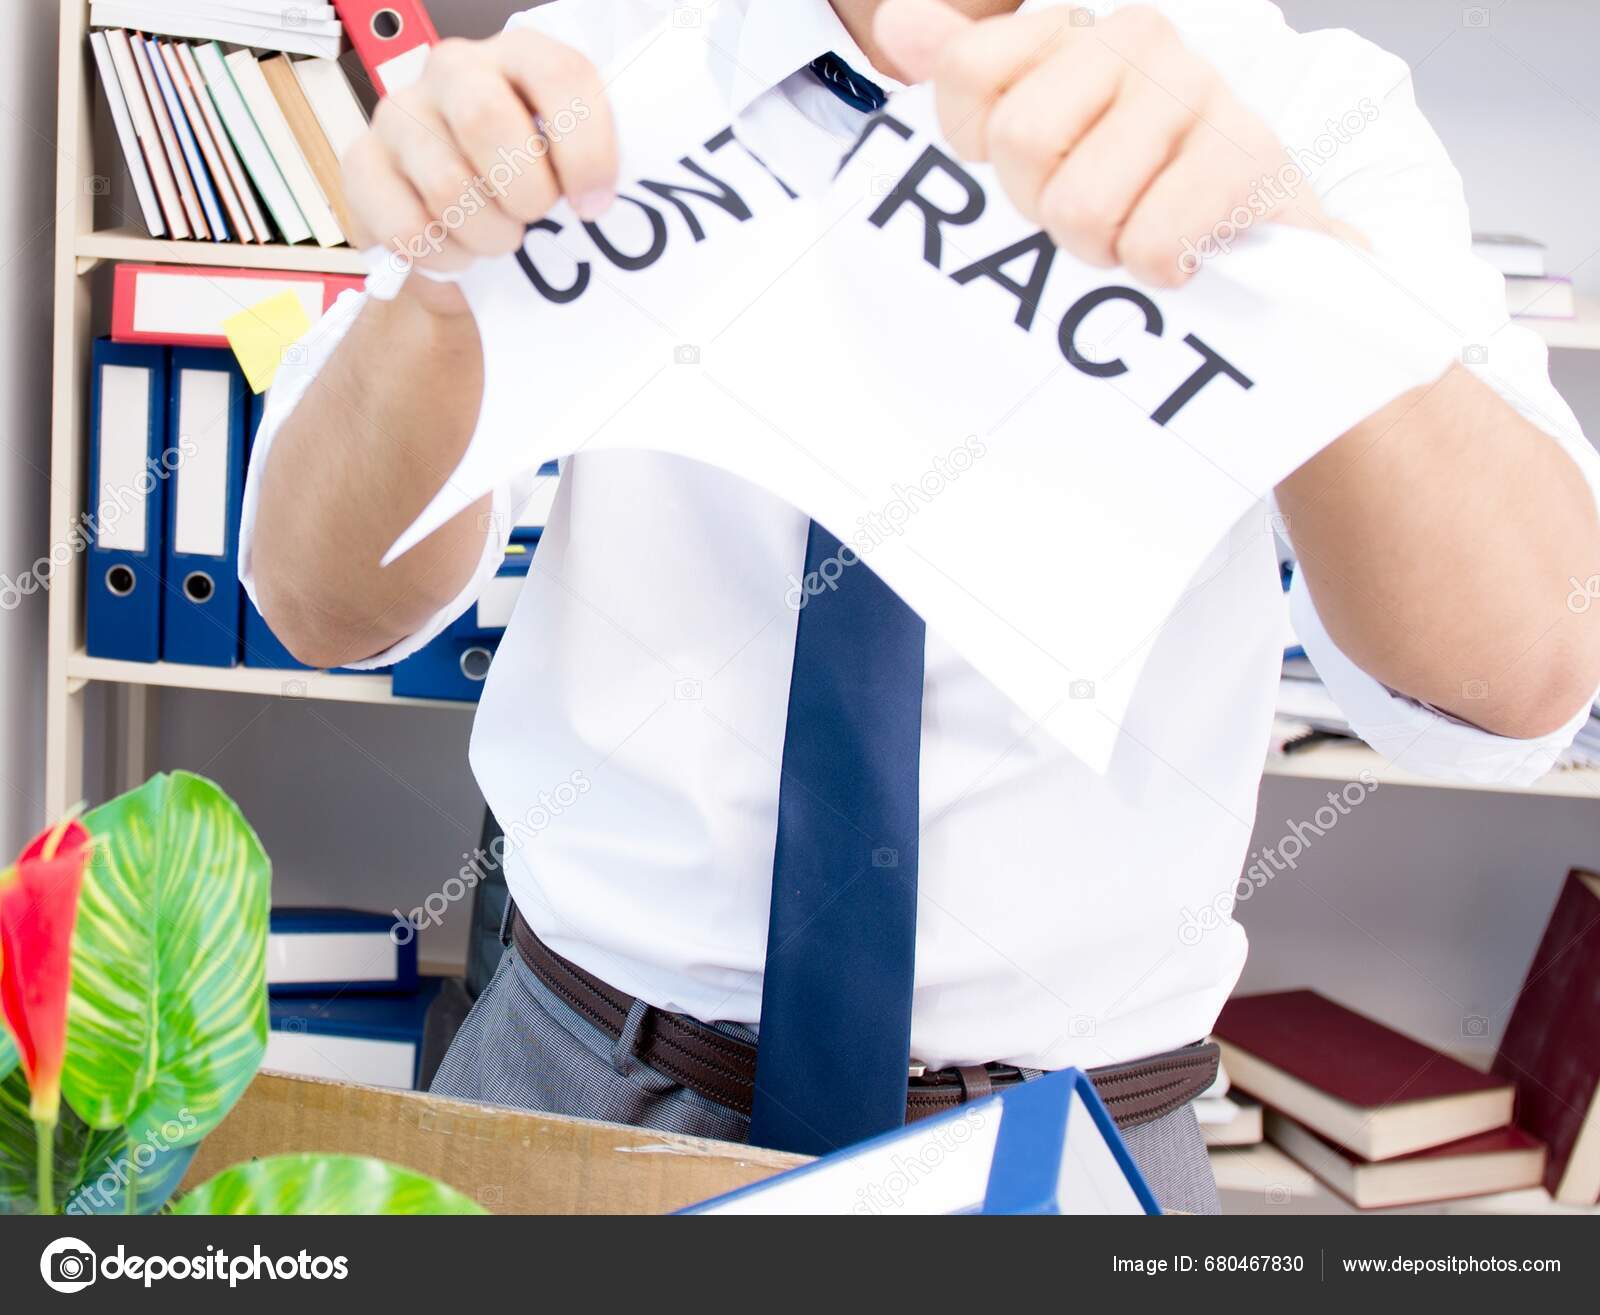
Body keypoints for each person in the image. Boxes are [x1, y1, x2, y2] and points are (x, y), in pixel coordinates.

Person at [241, 0, 1600, 1213]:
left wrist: (1290, 265)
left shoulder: (1297, 109)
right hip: (574, 1080)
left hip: (1077, 1146)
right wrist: (433, 292)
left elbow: (1522, 676)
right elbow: (318, 603)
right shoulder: (591, 61)